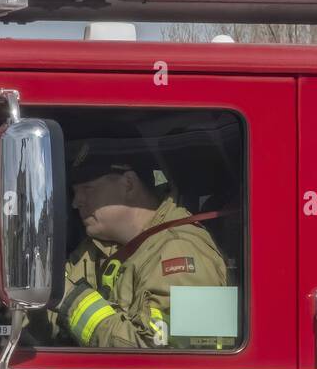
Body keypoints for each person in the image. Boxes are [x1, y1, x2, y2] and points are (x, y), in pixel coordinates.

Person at [56, 148, 228, 349]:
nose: (77, 202)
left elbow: (165, 354)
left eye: (87, 188)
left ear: (128, 184)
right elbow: (50, 318)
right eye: (75, 192)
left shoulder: (182, 253)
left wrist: (71, 300)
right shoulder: (97, 248)